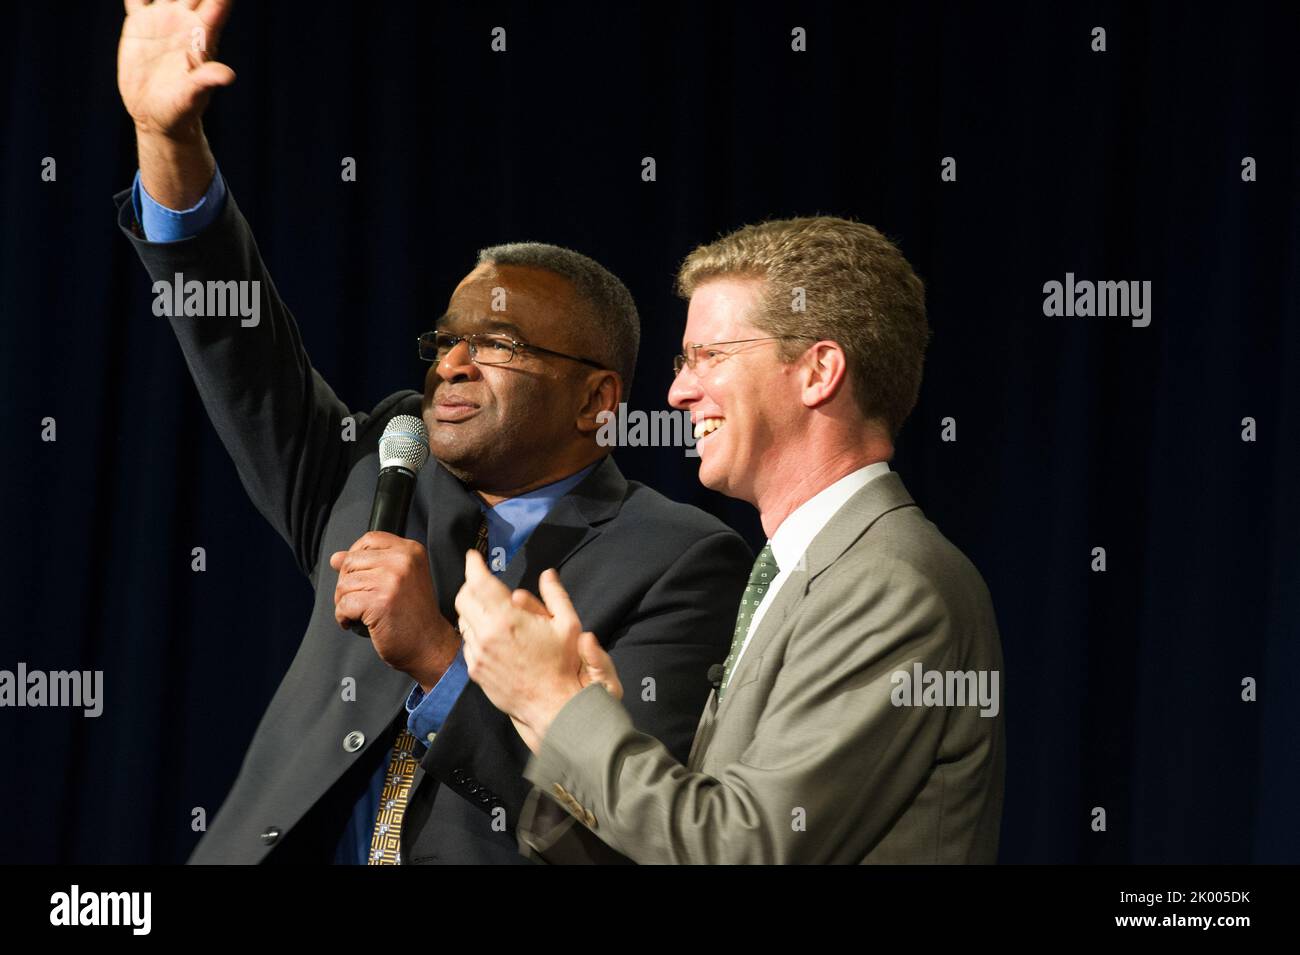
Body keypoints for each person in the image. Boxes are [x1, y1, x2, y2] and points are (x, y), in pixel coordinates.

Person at [113, 0, 750, 864]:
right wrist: (169, 142)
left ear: (597, 399)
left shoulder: (679, 559)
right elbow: (240, 346)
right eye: (447, 339)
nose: (452, 363)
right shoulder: (382, 466)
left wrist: (441, 661)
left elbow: (615, 837)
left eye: (498, 345)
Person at [457, 216, 1007, 863]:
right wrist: (570, 717)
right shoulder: (800, 573)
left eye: (709, 357)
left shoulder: (890, 585)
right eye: (681, 361)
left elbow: (741, 849)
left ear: (817, 371)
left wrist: (555, 705)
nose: (678, 390)